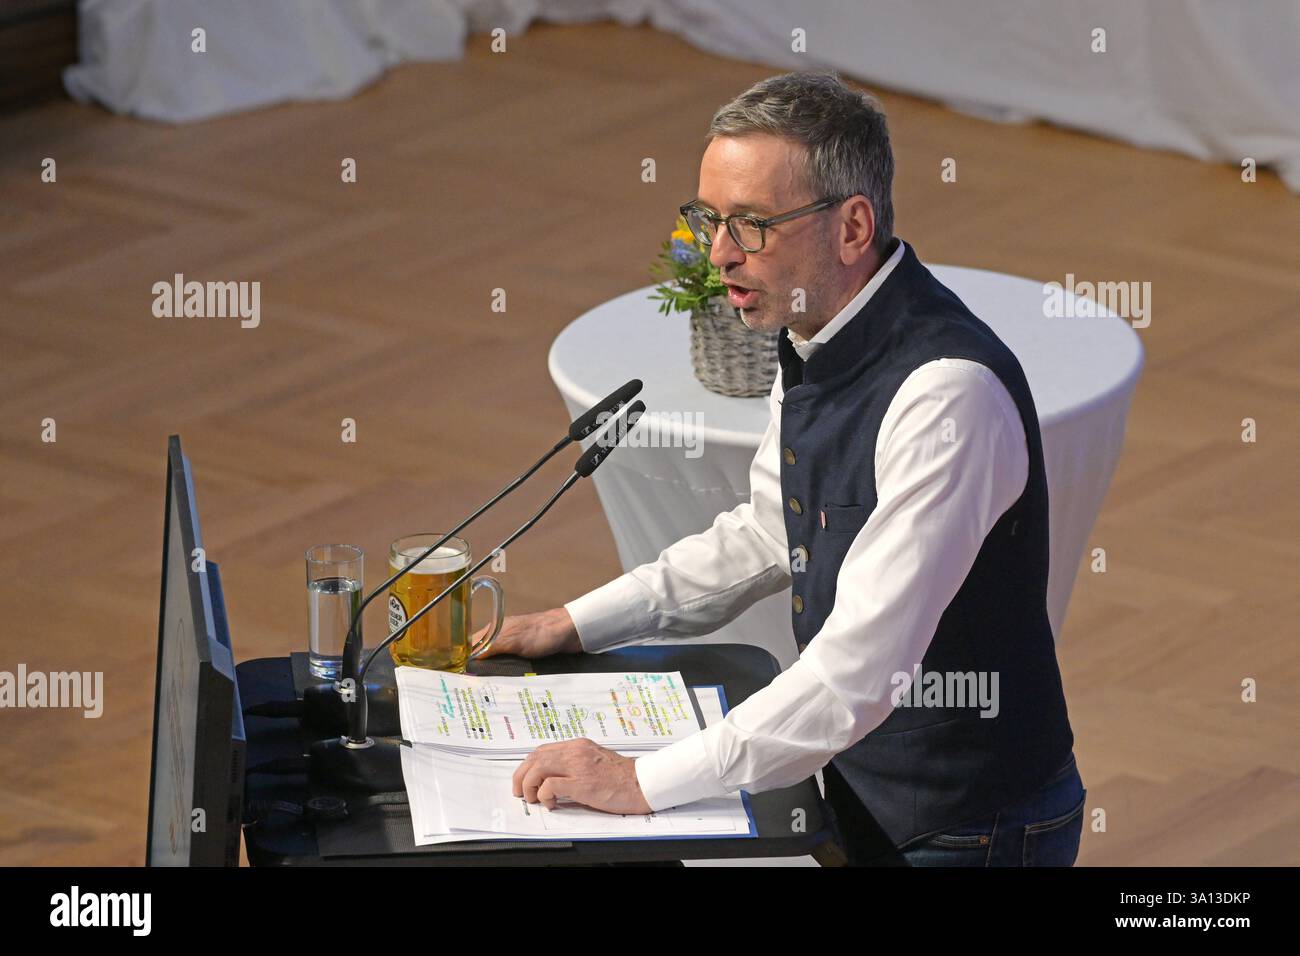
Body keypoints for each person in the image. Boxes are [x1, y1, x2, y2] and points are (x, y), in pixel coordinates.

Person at [476, 71, 1086, 866]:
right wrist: (575, 623)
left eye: (753, 225)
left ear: (852, 227)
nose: (718, 254)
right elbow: (766, 531)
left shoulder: (946, 397)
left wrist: (641, 782)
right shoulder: (816, 330)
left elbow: (853, 678)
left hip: (971, 826)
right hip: (866, 788)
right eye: (708, 219)